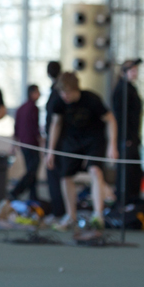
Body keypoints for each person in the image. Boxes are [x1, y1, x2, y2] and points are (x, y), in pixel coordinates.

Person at [45, 72, 118, 231]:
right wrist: (50, 151)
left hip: (94, 140)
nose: (65, 96)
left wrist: (112, 145)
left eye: (68, 92)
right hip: (71, 141)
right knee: (65, 176)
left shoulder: (92, 99)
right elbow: (55, 125)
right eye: (62, 92)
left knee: (95, 171)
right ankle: (71, 216)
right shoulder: (59, 101)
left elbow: (111, 120)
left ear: (76, 89)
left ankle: (98, 216)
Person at [112, 58, 143, 206]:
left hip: (132, 137)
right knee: (127, 173)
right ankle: (125, 203)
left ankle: (133, 202)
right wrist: (126, 137)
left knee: (135, 172)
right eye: (132, 70)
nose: (135, 73)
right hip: (126, 138)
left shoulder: (131, 88)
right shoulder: (121, 90)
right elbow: (120, 117)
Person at [9, 84, 41, 201]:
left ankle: (33, 197)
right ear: (32, 93)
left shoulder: (20, 108)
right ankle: (15, 192)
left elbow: (16, 128)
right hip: (32, 144)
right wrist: (41, 140)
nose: (39, 95)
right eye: (37, 92)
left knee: (31, 171)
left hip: (23, 144)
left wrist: (14, 144)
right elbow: (35, 127)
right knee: (32, 172)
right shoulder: (33, 108)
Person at [44, 61, 66, 220]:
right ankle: (59, 211)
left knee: (55, 175)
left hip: (58, 141)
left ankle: (59, 212)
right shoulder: (54, 90)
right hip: (53, 139)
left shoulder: (59, 91)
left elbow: (56, 122)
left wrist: (50, 149)